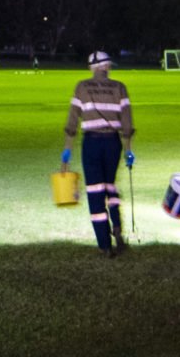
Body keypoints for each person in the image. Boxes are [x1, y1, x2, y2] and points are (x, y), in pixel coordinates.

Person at [61, 50, 135, 255]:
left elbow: (72, 122)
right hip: (113, 143)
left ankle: (104, 244)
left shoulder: (81, 87)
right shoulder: (120, 87)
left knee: (95, 191)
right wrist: (128, 150)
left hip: (91, 143)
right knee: (110, 185)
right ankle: (117, 229)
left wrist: (67, 151)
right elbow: (127, 123)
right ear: (105, 66)